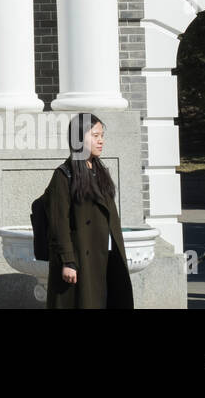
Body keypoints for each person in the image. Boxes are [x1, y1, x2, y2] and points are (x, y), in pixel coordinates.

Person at [45, 113, 134, 310]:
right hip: (80, 259)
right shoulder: (63, 175)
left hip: (106, 254)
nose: (101, 140)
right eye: (95, 135)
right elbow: (59, 223)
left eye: (102, 135)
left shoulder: (99, 170)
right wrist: (68, 261)